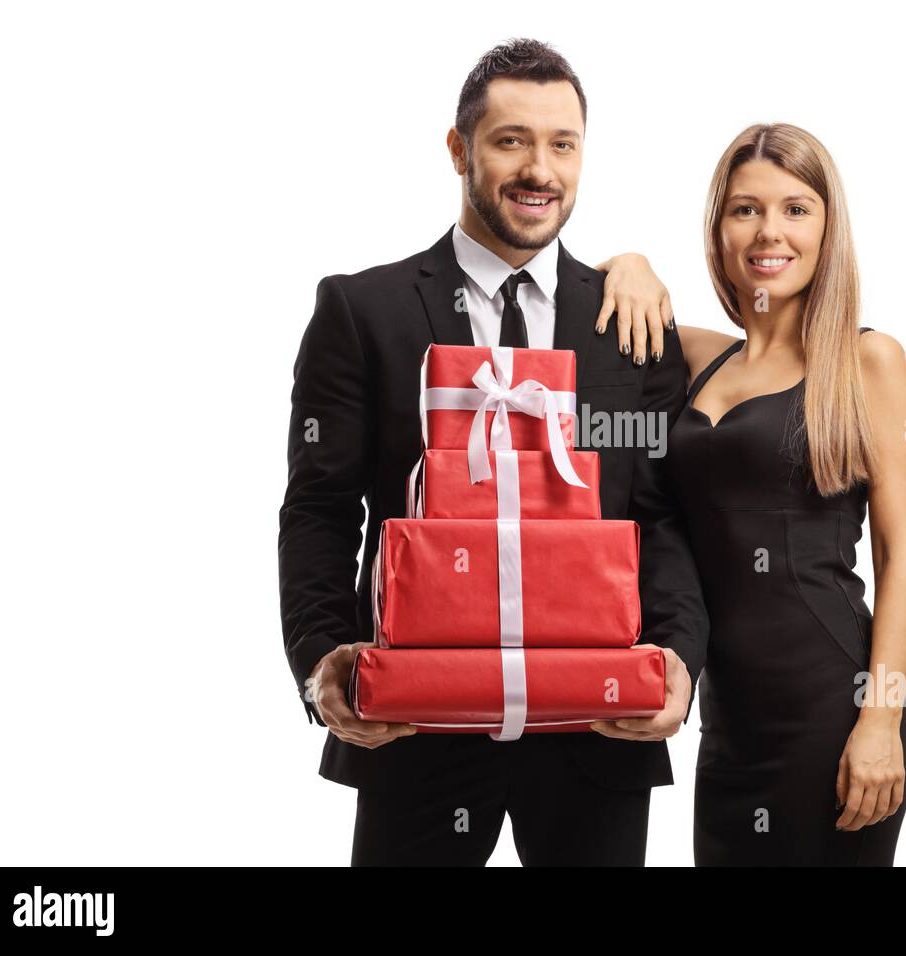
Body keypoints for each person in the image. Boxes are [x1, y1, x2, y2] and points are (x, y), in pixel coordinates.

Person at [278, 38, 708, 866]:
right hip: (414, 724)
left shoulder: (631, 330)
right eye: (511, 140)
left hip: (597, 725)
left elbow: (657, 514)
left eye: (562, 144)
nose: (538, 169)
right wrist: (325, 658)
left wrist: (680, 663)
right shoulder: (362, 314)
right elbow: (320, 511)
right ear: (459, 149)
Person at [598, 123, 906, 865]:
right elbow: (586, 305)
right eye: (744, 209)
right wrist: (633, 262)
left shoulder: (869, 362)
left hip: (832, 715)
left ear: (827, 227)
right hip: (726, 722)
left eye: (795, 209)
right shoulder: (698, 359)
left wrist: (880, 718)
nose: (768, 230)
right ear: (717, 228)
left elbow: (900, 558)